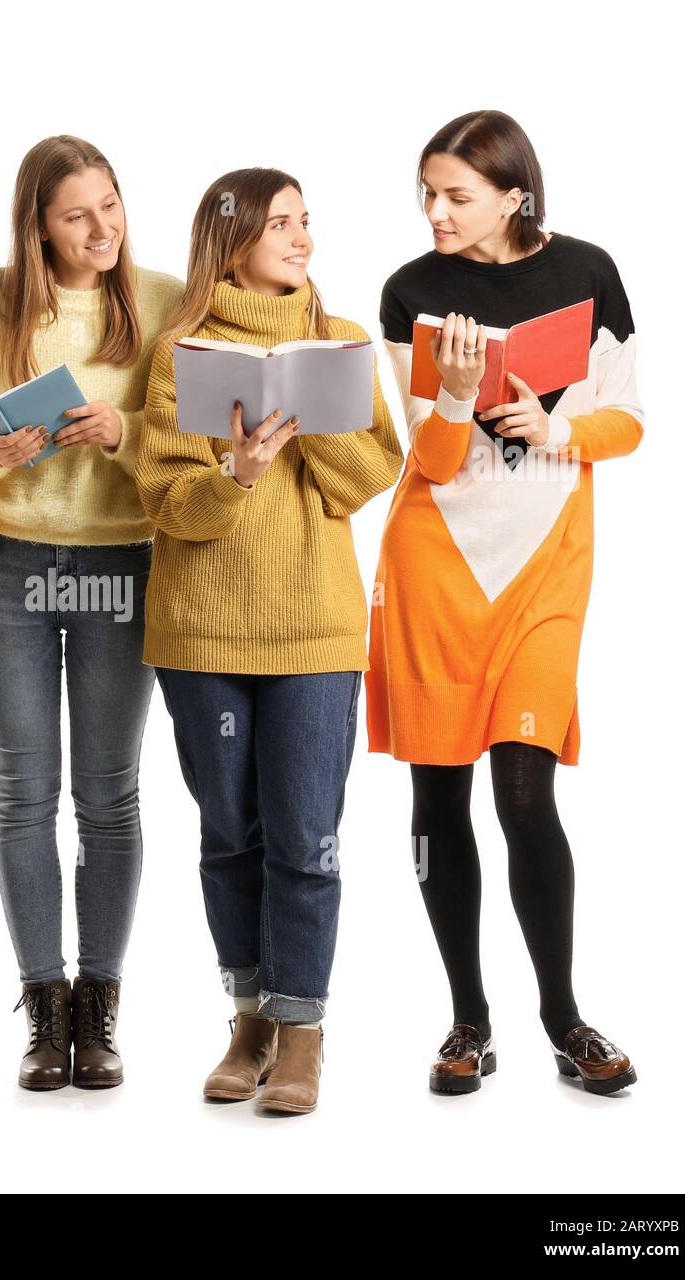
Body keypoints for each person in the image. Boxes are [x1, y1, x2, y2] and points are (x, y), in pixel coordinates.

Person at [368, 109, 644, 1096]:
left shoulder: (589, 271)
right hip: (436, 563)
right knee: (437, 797)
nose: (435, 213)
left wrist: (556, 428)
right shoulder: (411, 292)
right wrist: (454, 396)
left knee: (525, 793)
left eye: (456, 196)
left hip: (544, 565)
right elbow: (433, 461)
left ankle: (563, 1018)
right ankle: (466, 1020)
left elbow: (629, 419)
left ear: (512, 196)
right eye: (427, 195)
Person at [136, 167, 402, 1113]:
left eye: (304, 220)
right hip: (201, 632)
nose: (301, 238)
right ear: (234, 238)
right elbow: (165, 501)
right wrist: (239, 473)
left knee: (305, 835)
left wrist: (302, 422)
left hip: (314, 631)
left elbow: (370, 473)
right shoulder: (180, 354)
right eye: (280, 223)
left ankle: (303, 1032)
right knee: (229, 833)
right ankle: (248, 1018)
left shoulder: (342, 341)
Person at [0, 135, 183, 1090]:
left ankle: (100, 1006)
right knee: (24, 792)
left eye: (110, 206)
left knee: (110, 796)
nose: (101, 229)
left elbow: (188, 432)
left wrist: (124, 430)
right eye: (77, 215)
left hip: (122, 563)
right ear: (36, 225)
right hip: (9, 563)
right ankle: (44, 1010)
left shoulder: (162, 300)